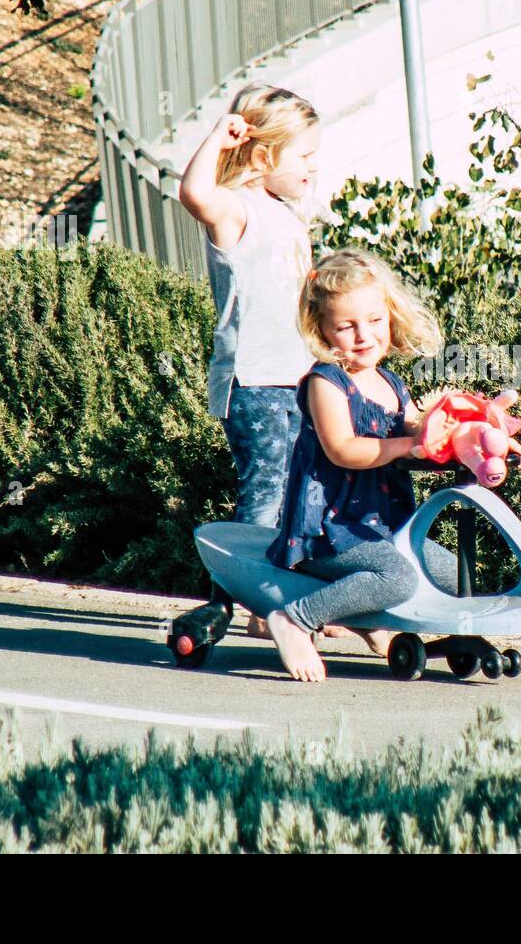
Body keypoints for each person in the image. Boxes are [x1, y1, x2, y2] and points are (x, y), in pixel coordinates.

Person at [263, 249, 521, 682]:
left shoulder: (390, 382)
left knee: (448, 572)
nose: (363, 335)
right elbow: (344, 450)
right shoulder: (326, 382)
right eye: (347, 326)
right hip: (330, 530)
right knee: (399, 578)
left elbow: (419, 442)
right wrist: (410, 445)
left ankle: (369, 621)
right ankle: (296, 620)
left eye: (374, 321)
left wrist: (467, 443)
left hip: (382, 526)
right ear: (321, 329)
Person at [178, 83, 342, 640]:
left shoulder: (289, 217)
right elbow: (194, 194)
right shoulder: (237, 209)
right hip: (254, 380)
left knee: (305, 489)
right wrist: (218, 140)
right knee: (266, 489)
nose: (313, 169)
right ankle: (243, 600)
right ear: (265, 155)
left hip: (299, 380)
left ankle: (291, 597)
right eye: (304, 157)